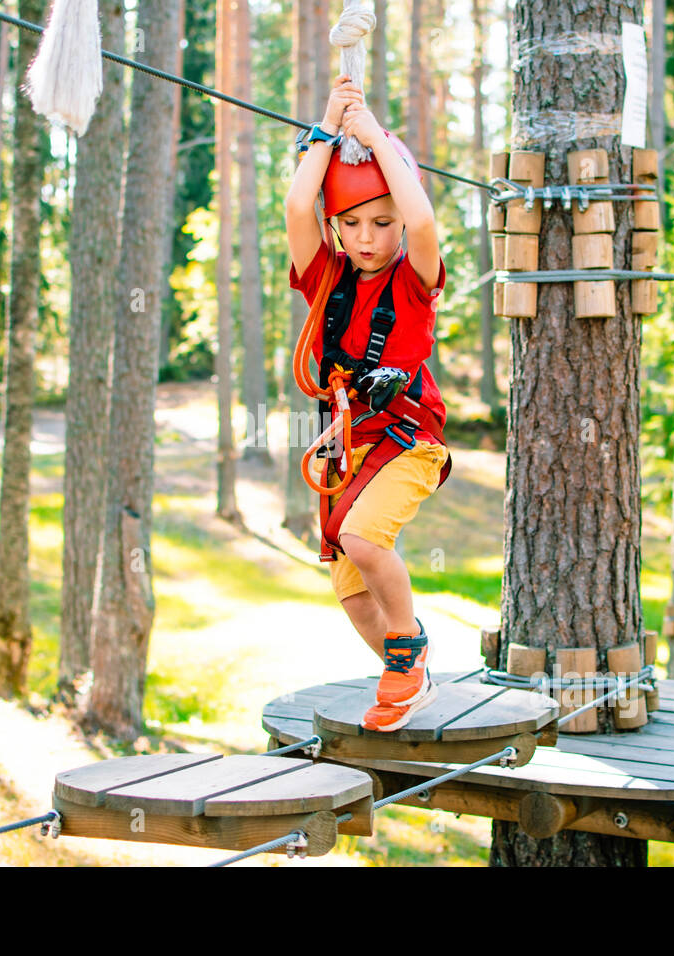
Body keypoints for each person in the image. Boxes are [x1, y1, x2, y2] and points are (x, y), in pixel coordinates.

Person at [284, 74, 452, 733]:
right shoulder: (325, 279)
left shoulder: (415, 282)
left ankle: (407, 653)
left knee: (363, 536)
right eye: (350, 224)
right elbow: (300, 210)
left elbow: (424, 219)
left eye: (381, 224)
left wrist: (375, 138)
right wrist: (328, 127)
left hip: (410, 439)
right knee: (352, 593)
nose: (366, 237)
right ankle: (411, 678)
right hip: (346, 447)